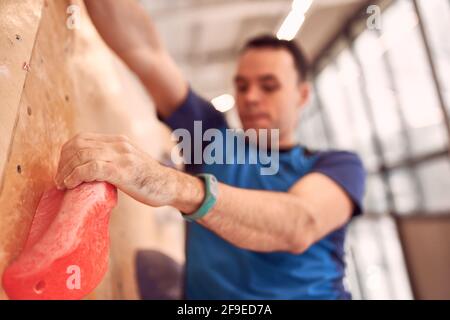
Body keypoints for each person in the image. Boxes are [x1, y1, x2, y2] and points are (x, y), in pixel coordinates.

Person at [54, 0, 366, 299]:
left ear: (302, 95)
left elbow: (299, 224)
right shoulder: (209, 137)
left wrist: (171, 184)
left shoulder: (337, 166)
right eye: (242, 86)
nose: (251, 97)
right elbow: (145, 51)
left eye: (268, 86)